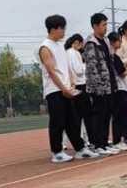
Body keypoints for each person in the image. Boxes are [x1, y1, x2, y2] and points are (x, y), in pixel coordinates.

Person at [39, 15, 97, 163]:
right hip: (54, 90)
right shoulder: (45, 47)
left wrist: (71, 84)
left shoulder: (61, 45)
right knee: (57, 122)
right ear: (54, 29)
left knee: (73, 121)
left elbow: (66, 68)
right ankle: (57, 152)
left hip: (67, 89)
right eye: (62, 28)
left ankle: (80, 149)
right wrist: (63, 88)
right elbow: (51, 72)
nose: (64, 31)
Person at [83, 13, 120, 156]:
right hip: (98, 88)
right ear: (95, 26)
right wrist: (98, 87)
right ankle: (97, 144)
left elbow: (110, 63)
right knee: (98, 116)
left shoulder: (104, 41)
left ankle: (104, 143)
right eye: (103, 25)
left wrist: (113, 84)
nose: (106, 27)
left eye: (106, 24)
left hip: (109, 84)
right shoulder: (90, 43)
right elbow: (92, 67)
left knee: (106, 115)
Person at [65, 33, 95, 148]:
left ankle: (79, 143)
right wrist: (85, 65)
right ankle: (92, 140)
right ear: (77, 42)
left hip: (72, 87)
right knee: (87, 115)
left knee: (76, 117)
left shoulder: (67, 53)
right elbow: (78, 70)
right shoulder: (75, 53)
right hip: (80, 85)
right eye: (82, 44)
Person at [108, 32, 127, 151]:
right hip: (119, 89)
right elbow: (122, 73)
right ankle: (117, 140)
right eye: (119, 41)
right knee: (118, 115)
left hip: (119, 88)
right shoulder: (113, 56)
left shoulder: (113, 56)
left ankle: (120, 139)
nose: (120, 43)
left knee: (121, 115)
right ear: (114, 42)